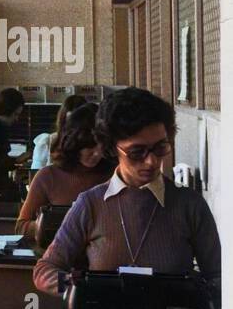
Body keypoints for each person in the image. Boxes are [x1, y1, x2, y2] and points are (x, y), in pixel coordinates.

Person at [34, 87, 220, 296]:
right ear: (112, 148)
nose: (151, 162)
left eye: (160, 148)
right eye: (136, 152)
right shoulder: (90, 204)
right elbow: (44, 270)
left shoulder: (190, 205)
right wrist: (83, 290)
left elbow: (219, 277)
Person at [16, 103, 112, 243]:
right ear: (74, 143)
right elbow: (21, 227)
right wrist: (49, 224)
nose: (97, 154)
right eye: (89, 148)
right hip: (60, 257)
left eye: (102, 147)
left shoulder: (113, 174)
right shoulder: (48, 176)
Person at [30, 92, 87, 171]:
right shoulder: (47, 142)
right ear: (63, 119)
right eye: (70, 120)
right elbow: (35, 176)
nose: (74, 126)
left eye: (78, 121)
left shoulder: (90, 145)